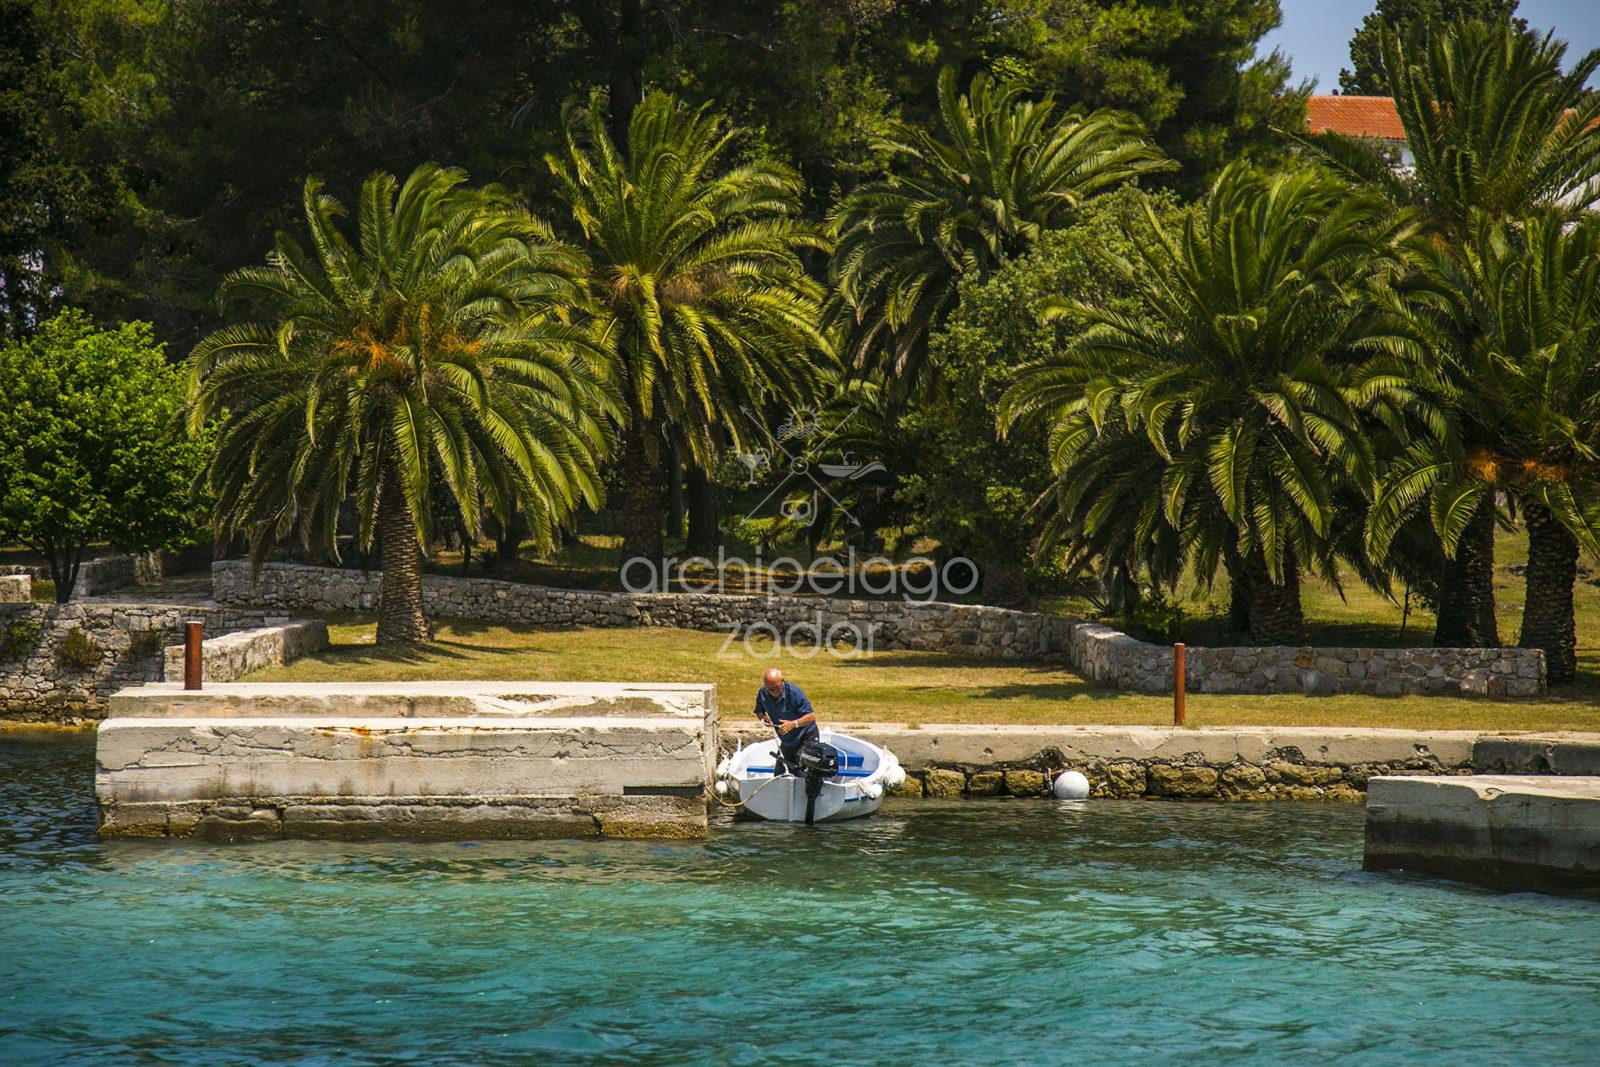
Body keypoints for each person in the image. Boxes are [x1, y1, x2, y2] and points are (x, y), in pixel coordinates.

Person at [754, 667, 819, 776]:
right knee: (780, 773)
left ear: (782, 681)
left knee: (801, 769)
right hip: (788, 741)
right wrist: (763, 719)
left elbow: (811, 716)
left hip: (806, 736)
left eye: (777, 688)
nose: (774, 692)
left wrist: (793, 724)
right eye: (770, 689)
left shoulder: (794, 692)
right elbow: (759, 711)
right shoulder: (763, 693)